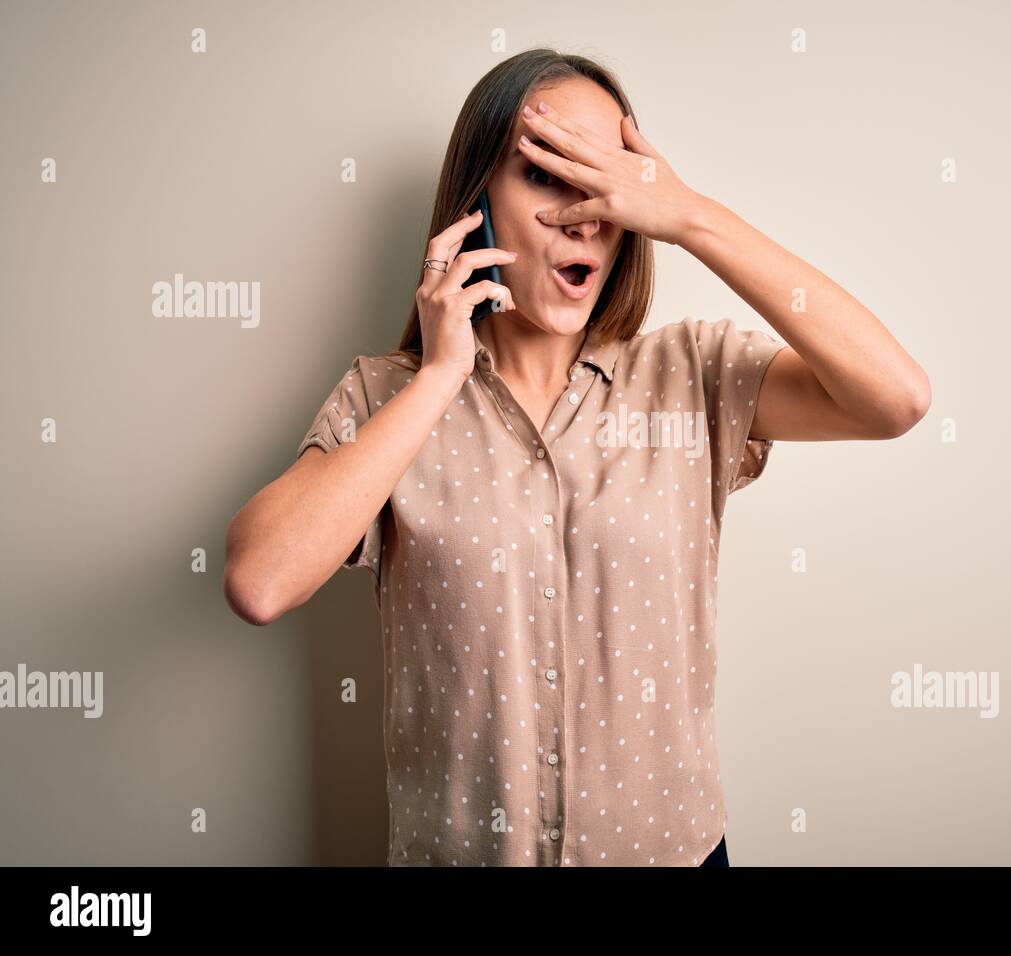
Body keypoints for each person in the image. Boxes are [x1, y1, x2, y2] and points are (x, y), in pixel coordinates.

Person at [224, 48, 929, 867]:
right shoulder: (386, 399)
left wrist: (692, 215)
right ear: (474, 205)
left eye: (604, 181)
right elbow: (260, 580)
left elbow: (897, 398)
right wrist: (442, 375)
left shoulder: (690, 374)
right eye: (547, 176)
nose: (585, 213)